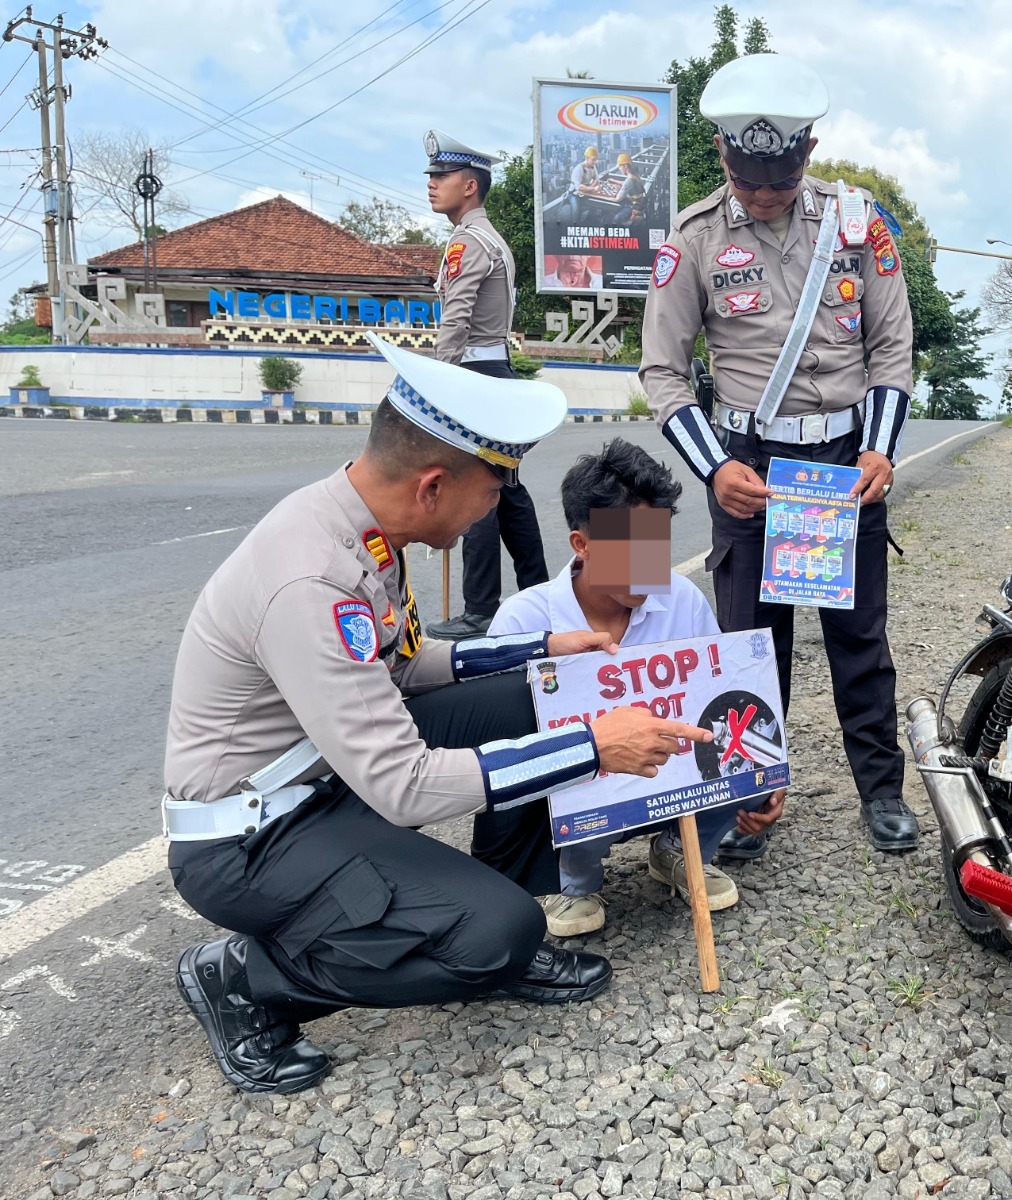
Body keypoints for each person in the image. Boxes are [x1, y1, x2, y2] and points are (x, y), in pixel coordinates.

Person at [163, 335, 711, 1095]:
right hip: (254, 839)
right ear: (431, 486)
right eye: (493, 492)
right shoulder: (310, 580)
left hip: (329, 780)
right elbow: (404, 787)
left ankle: (495, 903)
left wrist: (545, 647)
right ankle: (248, 979)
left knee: (538, 688)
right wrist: (593, 747)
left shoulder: (365, 532)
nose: (496, 508)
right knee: (499, 934)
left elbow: (406, 665)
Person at [639, 53, 919, 856]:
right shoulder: (691, 239)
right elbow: (662, 369)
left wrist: (880, 452)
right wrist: (715, 467)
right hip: (748, 463)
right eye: (749, 177)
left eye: (782, 176)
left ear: (809, 152)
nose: (764, 194)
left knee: (859, 638)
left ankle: (882, 792)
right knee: (749, 645)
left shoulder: (857, 224)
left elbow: (892, 348)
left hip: (841, 460)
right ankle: (748, 796)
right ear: (724, 158)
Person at [488, 439, 785, 936]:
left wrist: (762, 778)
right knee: (556, 761)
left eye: (657, 545)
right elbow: (505, 750)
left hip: (667, 772)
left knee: (733, 747)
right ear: (580, 544)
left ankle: (680, 848)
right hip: (581, 786)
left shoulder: (682, 598)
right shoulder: (524, 620)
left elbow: (721, 697)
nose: (647, 564)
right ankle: (571, 881)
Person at [421, 130, 550, 641]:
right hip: (495, 373)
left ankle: (481, 610)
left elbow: (456, 318)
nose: (431, 185)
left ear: (469, 185)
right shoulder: (487, 237)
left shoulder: (468, 242)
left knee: (474, 493)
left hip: (473, 376)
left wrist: (435, 383)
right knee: (508, 491)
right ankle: (537, 588)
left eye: (441, 177)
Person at [617, 152, 648, 223]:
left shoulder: (630, 179)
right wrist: (614, 181)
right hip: (640, 205)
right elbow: (626, 184)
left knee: (617, 219)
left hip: (636, 208)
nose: (619, 168)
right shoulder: (634, 175)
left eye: (620, 166)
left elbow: (617, 199)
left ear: (625, 166)